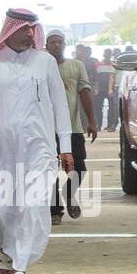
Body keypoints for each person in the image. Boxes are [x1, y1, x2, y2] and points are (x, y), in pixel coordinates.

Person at [0, 8, 73, 274]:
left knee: (32, 205)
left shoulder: (45, 63)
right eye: (25, 28)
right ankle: (6, 247)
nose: (31, 33)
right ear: (10, 30)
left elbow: (60, 105)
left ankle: (20, 266)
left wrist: (65, 146)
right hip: (1, 150)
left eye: (33, 28)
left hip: (38, 147)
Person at [47, 30, 98, 223]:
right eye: (52, 42)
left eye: (60, 42)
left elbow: (84, 93)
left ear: (65, 45)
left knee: (80, 168)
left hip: (72, 128)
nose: (56, 45)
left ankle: (68, 194)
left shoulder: (76, 66)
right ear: (46, 45)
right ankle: (55, 210)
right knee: (49, 170)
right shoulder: (41, 67)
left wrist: (91, 121)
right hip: (46, 130)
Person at [97, 47, 118, 131]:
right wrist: (96, 88)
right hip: (100, 89)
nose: (107, 56)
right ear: (103, 55)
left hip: (110, 90)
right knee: (99, 108)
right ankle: (98, 125)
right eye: (106, 54)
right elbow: (96, 78)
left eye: (108, 54)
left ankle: (110, 125)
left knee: (111, 108)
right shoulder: (98, 65)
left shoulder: (113, 65)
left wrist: (111, 89)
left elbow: (113, 77)